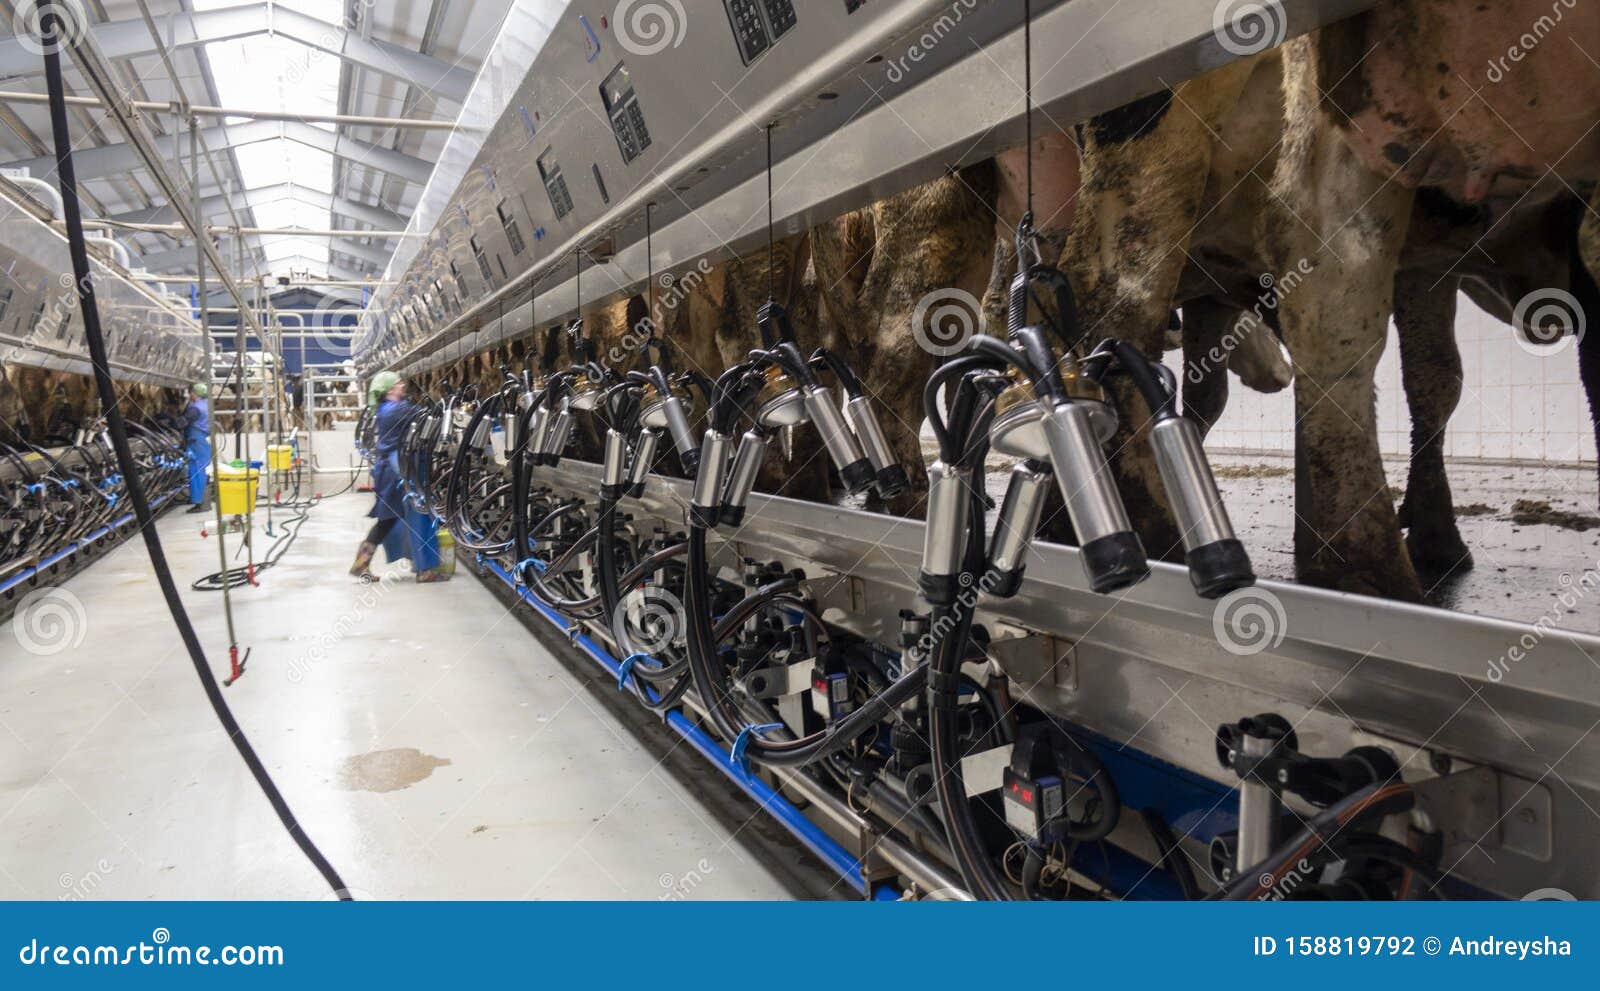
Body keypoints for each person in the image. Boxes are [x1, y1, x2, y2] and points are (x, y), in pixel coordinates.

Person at [348, 372, 449, 583]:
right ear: (389, 390)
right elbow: (427, 413)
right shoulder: (396, 409)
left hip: (390, 470)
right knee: (419, 515)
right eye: (398, 384)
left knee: (387, 520)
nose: (403, 386)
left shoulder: (387, 409)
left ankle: (361, 564)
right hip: (398, 471)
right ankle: (426, 570)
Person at [182, 382, 211, 514]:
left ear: (195, 394)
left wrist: (169, 420)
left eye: (191, 393)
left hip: (197, 441)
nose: (190, 395)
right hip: (203, 441)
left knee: (196, 471)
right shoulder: (206, 404)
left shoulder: (195, 408)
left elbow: (183, 422)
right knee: (201, 470)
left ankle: (199, 503)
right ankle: (200, 501)